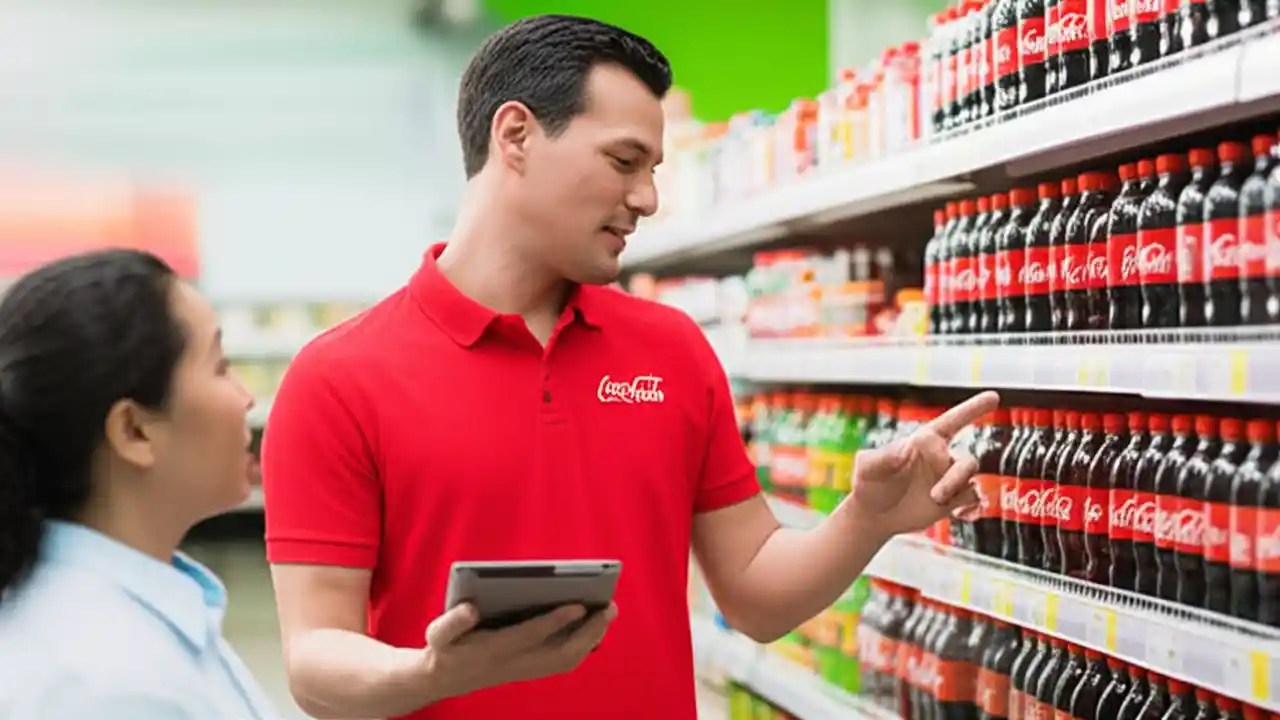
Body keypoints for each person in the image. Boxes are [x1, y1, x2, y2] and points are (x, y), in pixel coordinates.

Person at [262, 14, 998, 720]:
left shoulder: (671, 351)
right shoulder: (338, 378)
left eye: (653, 169)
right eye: (623, 161)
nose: (646, 198)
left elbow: (756, 597)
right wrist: (432, 673)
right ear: (515, 135)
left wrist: (865, 521)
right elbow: (316, 661)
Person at [0, 250, 277, 720]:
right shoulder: (107, 685)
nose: (246, 397)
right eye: (220, 366)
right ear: (134, 431)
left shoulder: (141, 620)